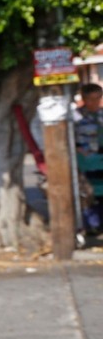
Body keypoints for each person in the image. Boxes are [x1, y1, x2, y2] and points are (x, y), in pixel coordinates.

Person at [74, 83, 103, 232]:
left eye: (98, 98)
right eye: (91, 99)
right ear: (84, 98)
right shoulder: (75, 117)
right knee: (88, 194)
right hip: (86, 162)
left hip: (101, 161)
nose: (95, 102)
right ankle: (92, 225)